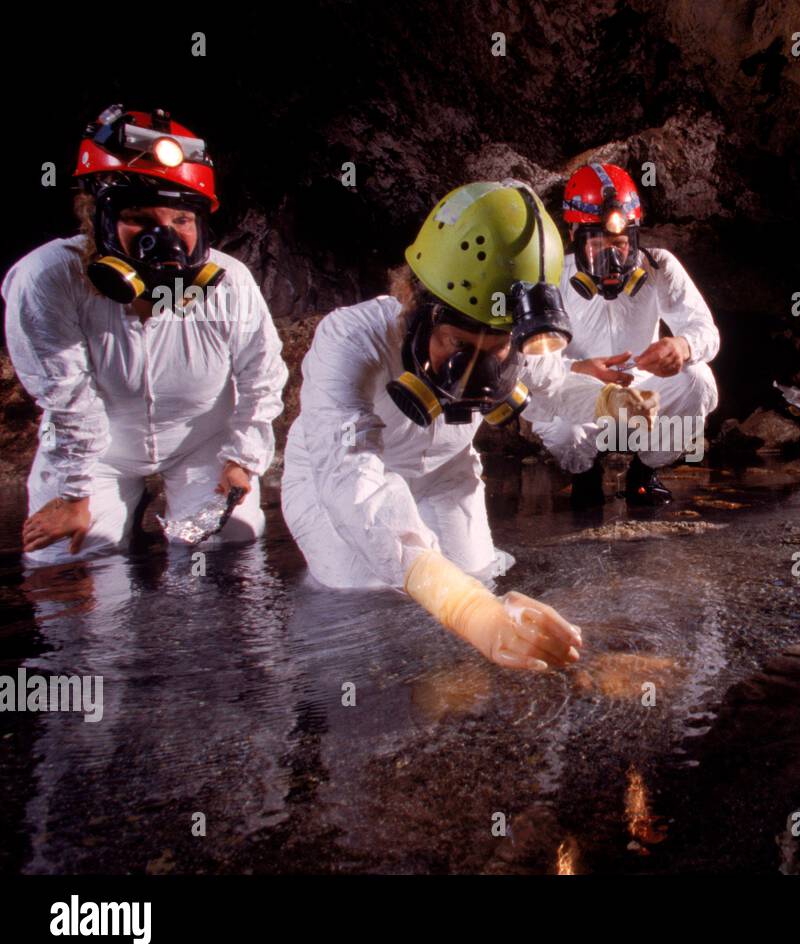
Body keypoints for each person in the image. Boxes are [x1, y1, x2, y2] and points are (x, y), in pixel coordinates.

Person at [281, 180, 629, 672]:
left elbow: (550, 386)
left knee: (475, 577)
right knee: (366, 599)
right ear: (415, 304)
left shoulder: (517, 339)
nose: (477, 374)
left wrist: (611, 401)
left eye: (497, 348)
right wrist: (463, 610)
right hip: (329, 483)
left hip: (446, 473)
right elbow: (347, 473)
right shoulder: (350, 338)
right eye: (456, 344)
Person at [4, 105, 287, 564]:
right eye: (139, 218)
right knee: (69, 557)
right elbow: (67, 395)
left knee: (225, 545)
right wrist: (76, 492)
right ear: (97, 218)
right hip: (99, 454)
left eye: (181, 221)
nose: (166, 238)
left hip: (200, 443)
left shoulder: (230, 283)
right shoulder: (48, 279)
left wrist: (242, 459)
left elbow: (263, 375)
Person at [525, 161, 719, 507]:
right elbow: (531, 367)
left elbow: (707, 332)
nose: (613, 257)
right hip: (582, 393)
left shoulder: (659, 267)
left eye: (621, 242)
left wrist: (683, 345)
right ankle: (584, 474)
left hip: (644, 395)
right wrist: (581, 369)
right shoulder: (550, 278)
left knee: (699, 380)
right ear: (573, 236)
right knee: (549, 407)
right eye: (598, 245)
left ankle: (644, 473)